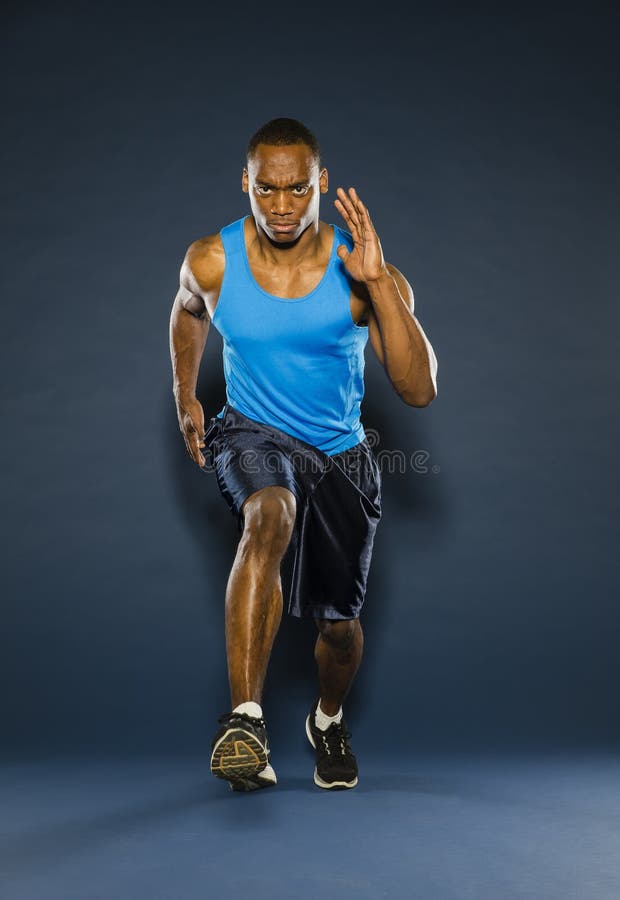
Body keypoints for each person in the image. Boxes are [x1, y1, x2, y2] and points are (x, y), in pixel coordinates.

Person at [169, 118, 438, 792]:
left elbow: (417, 390)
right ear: (246, 184)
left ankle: (326, 719)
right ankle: (246, 722)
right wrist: (185, 396)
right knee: (269, 513)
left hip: (341, 455)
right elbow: (186, 310)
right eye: (266, 190)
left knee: (339, 630)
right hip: (251, 435)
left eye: (295, 189)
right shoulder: (212, 259)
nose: (281, 206)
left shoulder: (360, 269)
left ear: (319, 182)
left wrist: (378, 286)